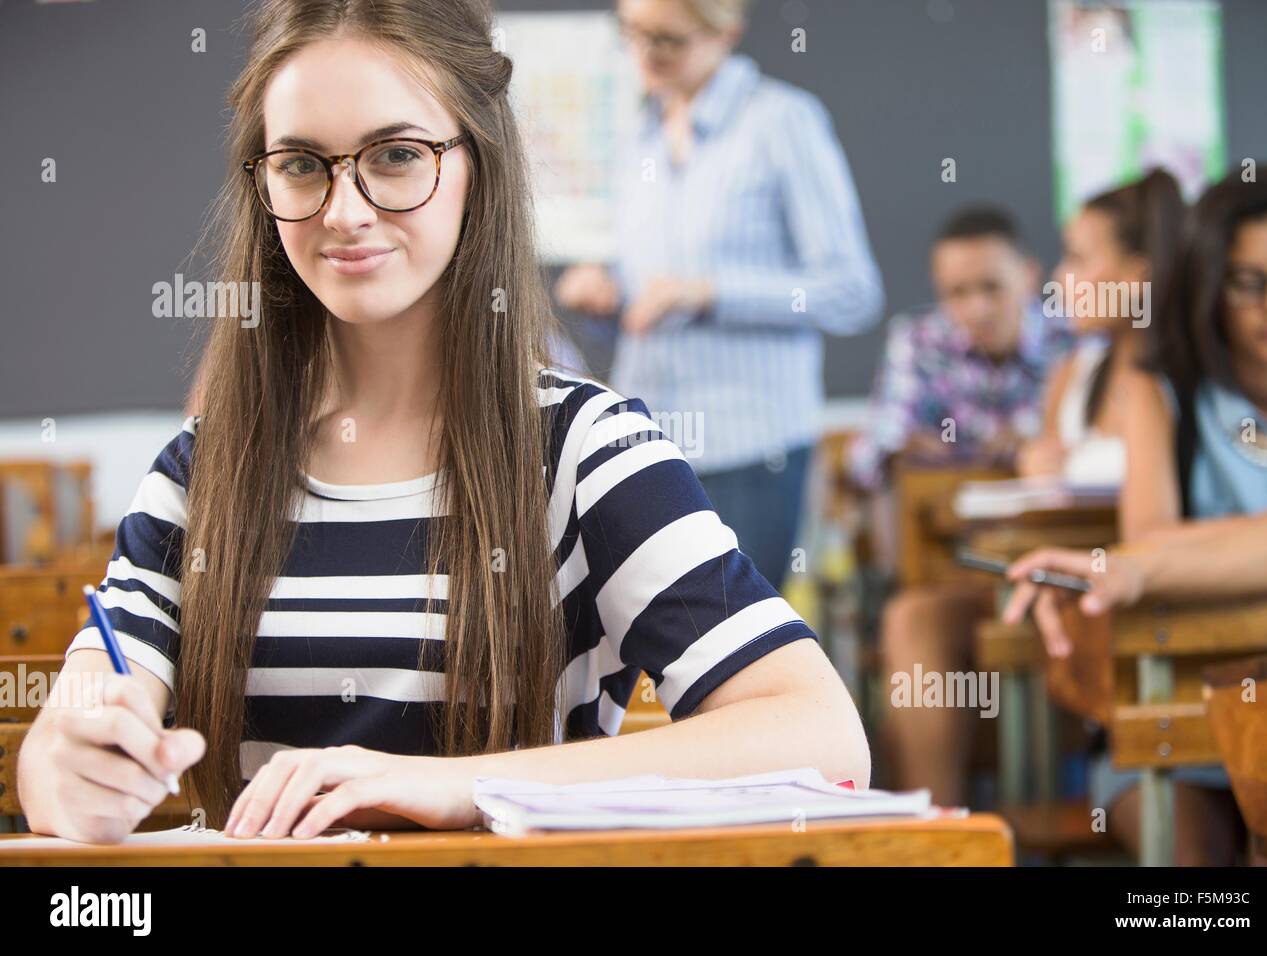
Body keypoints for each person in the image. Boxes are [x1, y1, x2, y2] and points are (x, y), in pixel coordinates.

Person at [16, 0, 871, 846]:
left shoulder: (588, 451)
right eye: (301, 164)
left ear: (478, 163)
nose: (344, 210)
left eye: (395, 155)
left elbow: (823, 741)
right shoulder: (200, 472)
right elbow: (64, 746)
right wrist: (74, 769)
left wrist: (459, 787)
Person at [1004, 165, 1267, 865]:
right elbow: (1149, 542)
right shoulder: (1162, 385)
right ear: (1208, 286)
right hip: (1174, 702)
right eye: (1247, 283)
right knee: (1195, 885)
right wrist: (1132, 565)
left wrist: (1158, 561)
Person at [555, 0, 883, 591]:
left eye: (668, 39)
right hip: (649, 440)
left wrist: (710, 293)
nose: (645, 54)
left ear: (727, 32)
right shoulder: (637, 136)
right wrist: (607, 297)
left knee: (736, 650)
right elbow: (647, 302)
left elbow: (851, 292)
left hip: (751, 449)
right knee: (648, 662)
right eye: (632, 33)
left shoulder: (782, 123)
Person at [852, 206, 1072, 805]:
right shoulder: (918, 340)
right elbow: (871, 454)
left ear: (1030, 275)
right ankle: (943, 839)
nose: (975, 307)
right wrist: (915, 449)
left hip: (1072, 567)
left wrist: (1028, 441)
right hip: (962, 570)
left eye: (992, 287)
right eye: (957, 292)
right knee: (911, 621)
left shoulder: (1074, 336)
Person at [1017, 169, 1185, 485]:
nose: (1058, 279)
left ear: (1136, 277)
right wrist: (1033, 464)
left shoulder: (1175, 389)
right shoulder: (1068, 378)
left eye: (1077, 259)